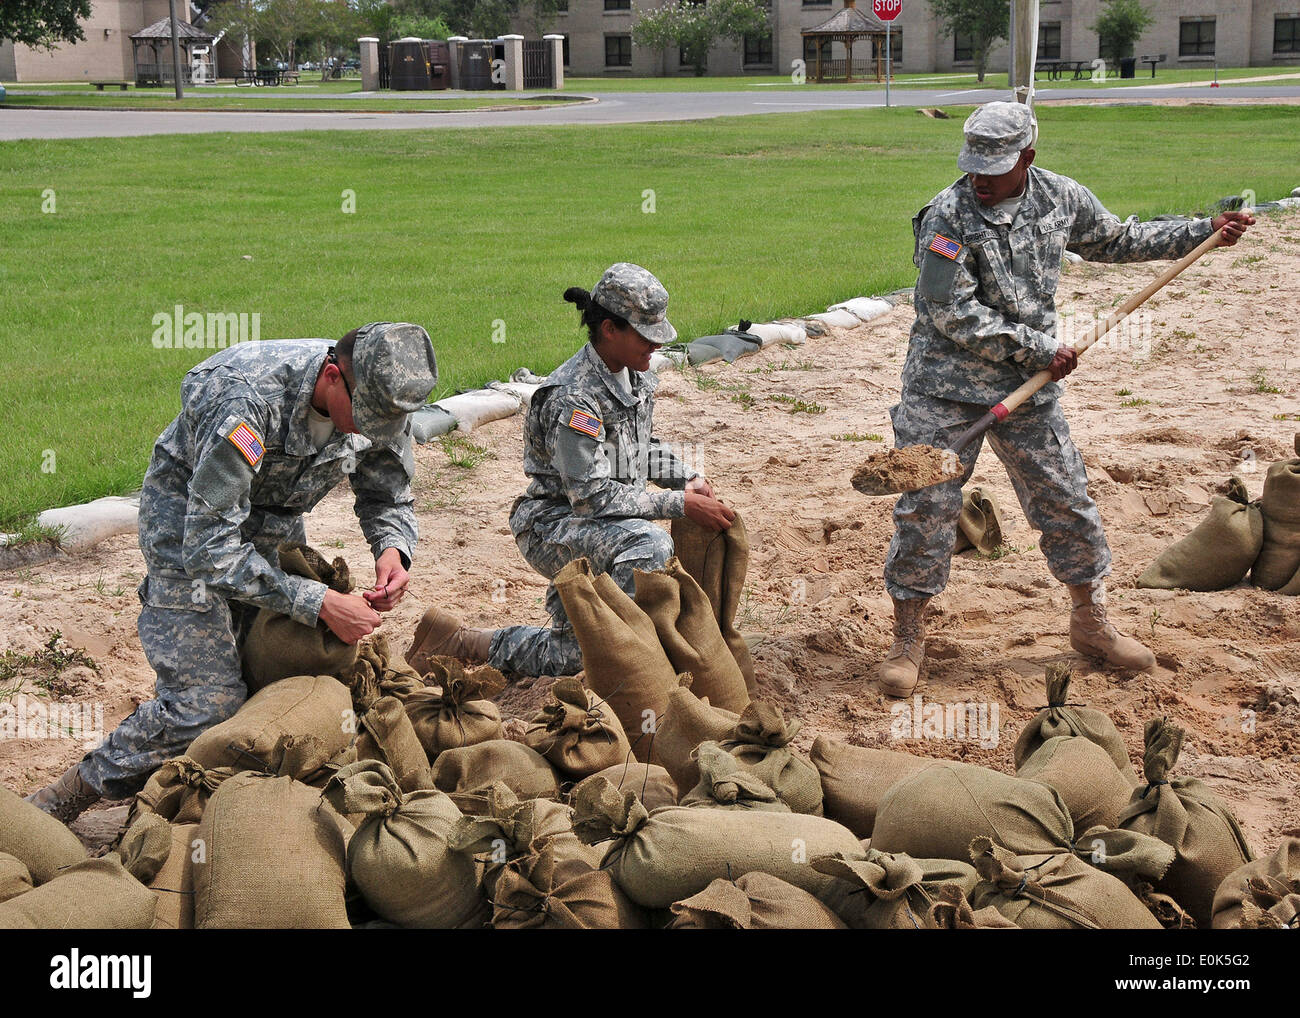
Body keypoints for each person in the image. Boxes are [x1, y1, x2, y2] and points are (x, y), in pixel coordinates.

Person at [879, 100, 1255, 698]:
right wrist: (1036, 348)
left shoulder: (1058, 197)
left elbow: (1115, 239)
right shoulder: (947, 216)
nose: (979, 177)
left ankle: (1090, 620)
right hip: (945, 392)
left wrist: (1201, 231)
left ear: (1027, 155)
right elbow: (947, 310)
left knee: (1065, 499)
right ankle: (907, 638)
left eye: (994, 165)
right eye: (972, 163)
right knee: (926, 511)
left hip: (1029, 393)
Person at [27, 322, 438, 820]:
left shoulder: (381, 402)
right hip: (190, 534)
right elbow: (210, 549)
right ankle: (71, 793)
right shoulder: (245, 399)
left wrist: (393, 548)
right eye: (367, 418)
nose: (375, 431)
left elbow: (386, 490)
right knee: (205, 704)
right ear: (332, 376)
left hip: (275, 530)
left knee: (277, 671)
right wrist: (319, 602)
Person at [409, 263, 735, 678]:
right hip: (557, 523)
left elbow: (636, 449)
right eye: (645, 335)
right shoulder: (574, 397)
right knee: (639, 564)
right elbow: (591, 495)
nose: (654, 346)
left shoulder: (633, 375)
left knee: (584, 644)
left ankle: (468, 639)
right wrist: (678, 505)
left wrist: (685, 478)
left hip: (607, 525)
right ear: (609, 329)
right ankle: (470, 643)